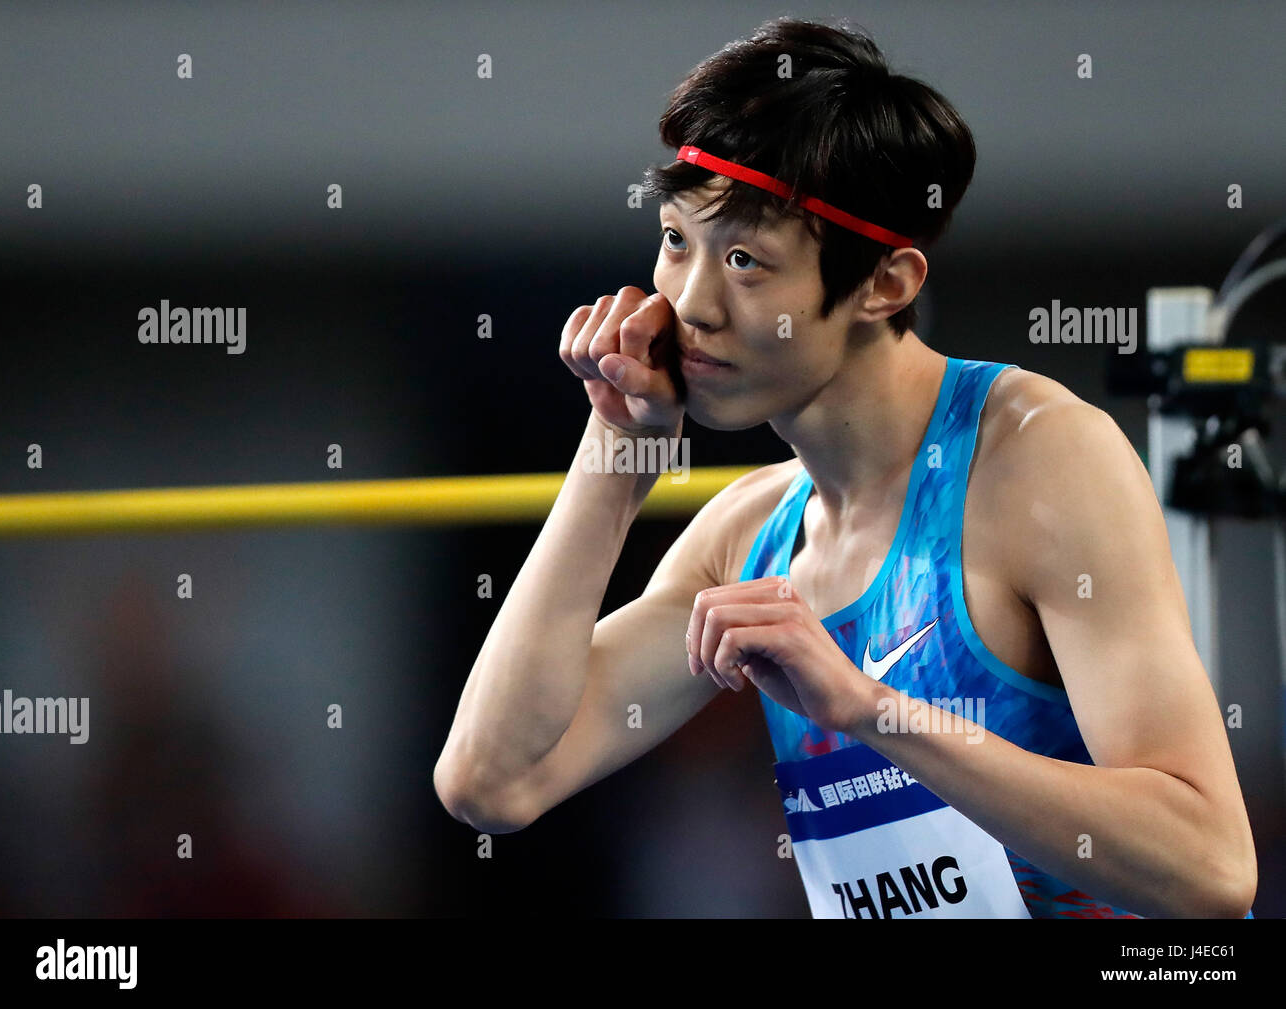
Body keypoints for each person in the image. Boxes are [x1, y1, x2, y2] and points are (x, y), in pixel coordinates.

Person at [434, 17, 1257, 918]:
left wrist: (871, 710)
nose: (691, 303)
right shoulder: (747, 534)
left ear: (886, 284)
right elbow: (491, 781)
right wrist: (617, 453)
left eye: (745, 259)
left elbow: (1212, 872)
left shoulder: (1038, 459)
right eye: (676, 241)